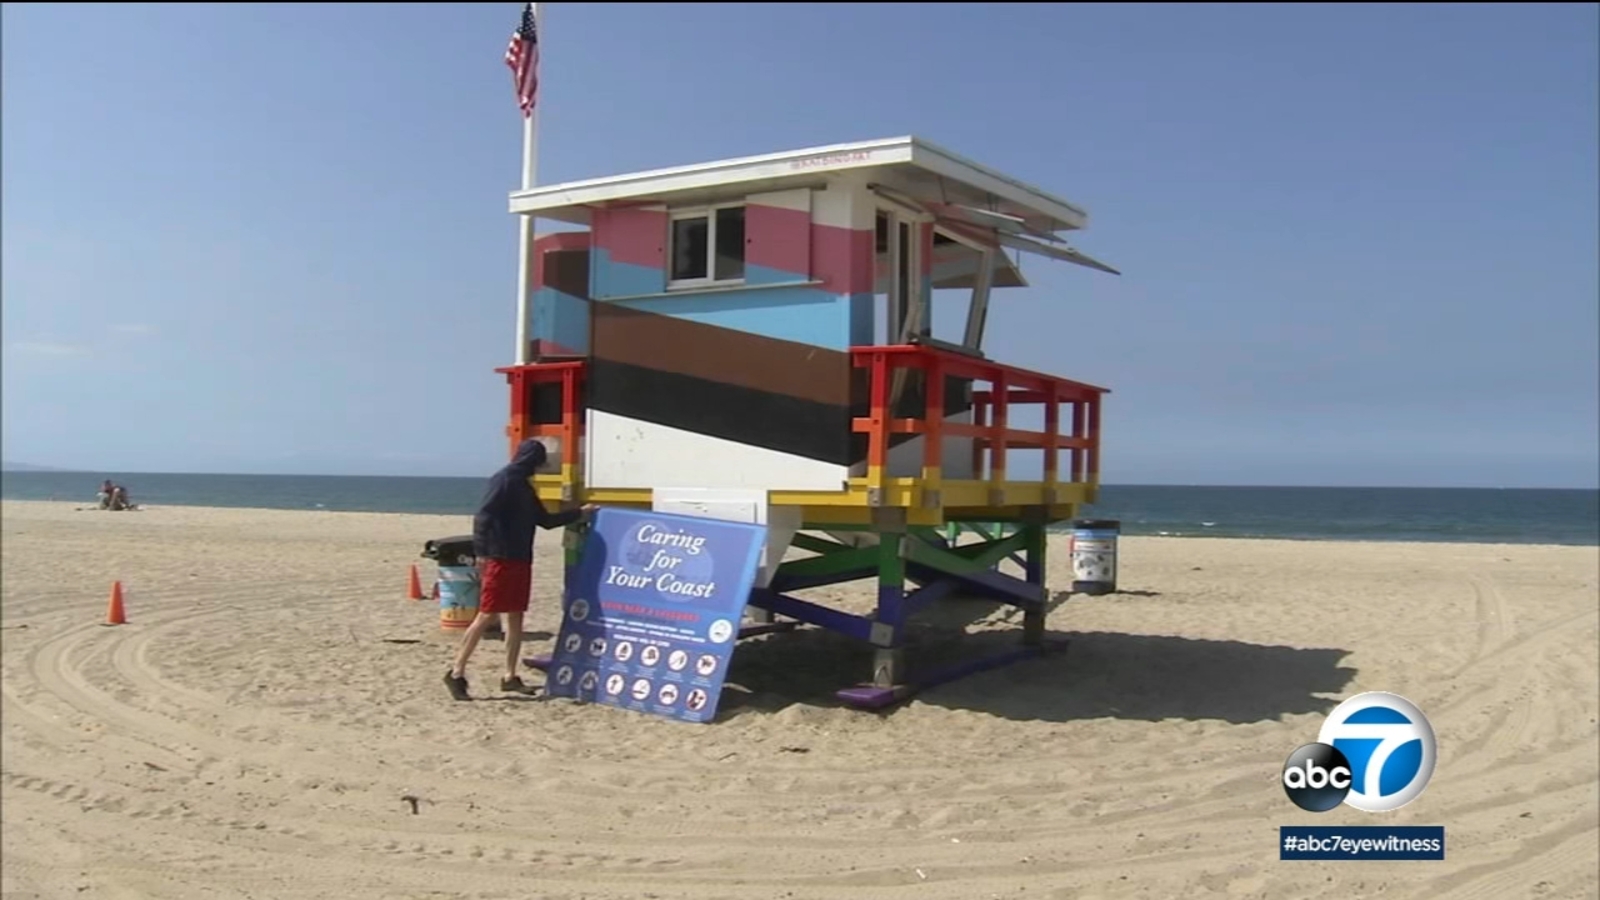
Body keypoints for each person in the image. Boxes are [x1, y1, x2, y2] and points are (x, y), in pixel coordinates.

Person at [444, 439, 595, 700]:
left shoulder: (524, 486)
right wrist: (481, 552)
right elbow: (483, 516)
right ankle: (456, 672)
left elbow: (545, 520)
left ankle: (509, 675)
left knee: (516, 616)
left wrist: (579, 513)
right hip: (500, 558)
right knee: (486, 615)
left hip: (520, 559)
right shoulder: (504, 480)